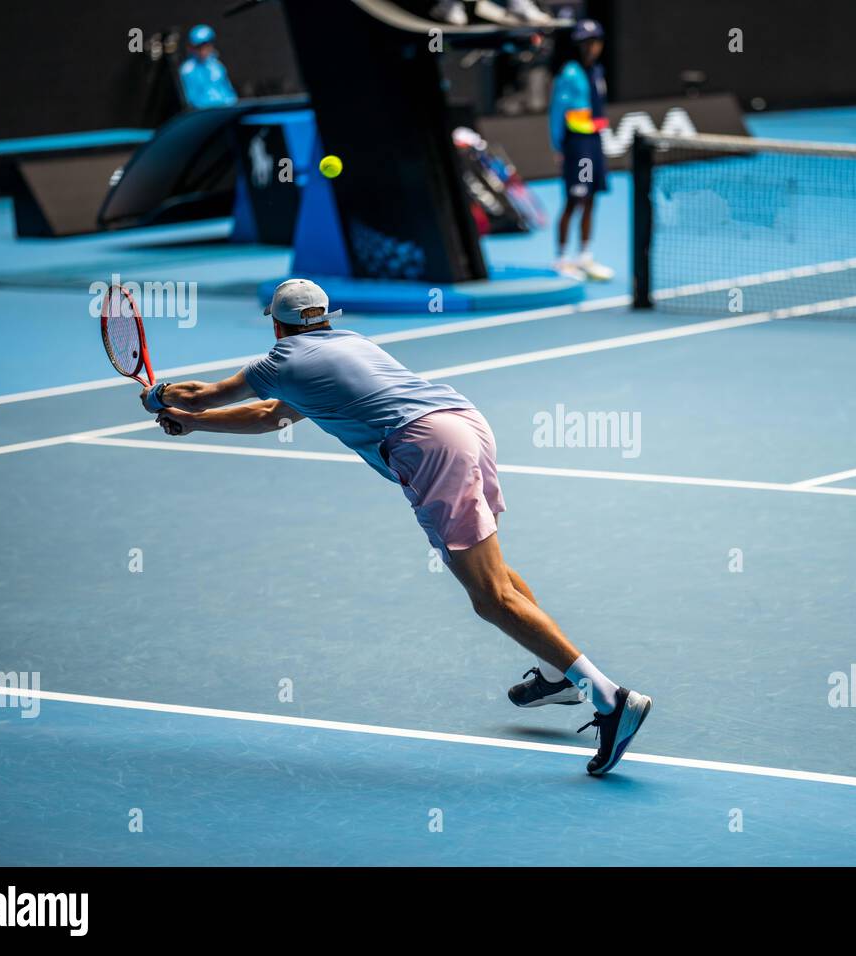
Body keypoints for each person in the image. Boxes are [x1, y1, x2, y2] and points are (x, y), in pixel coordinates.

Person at [140, 278, 652, 776]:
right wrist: (195, 422)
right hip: (462, 422)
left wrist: (160, 396)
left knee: (489, 596)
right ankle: (556, 673)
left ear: (276, 326)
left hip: (427, 444)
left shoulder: (282, 359)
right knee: (495, 571)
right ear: (323, 318)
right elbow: (270, 416)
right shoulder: (348, 345)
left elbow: (206, 392)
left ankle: (608, 698)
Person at [548, 19, 614, 281]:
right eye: (585, 43)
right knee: (573, 200)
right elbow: (556, 113)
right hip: (576, 145)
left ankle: (584, 256)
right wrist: (559, 146)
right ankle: (561, 259)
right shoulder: (570, 73)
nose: (591, 48)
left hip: (594, 142)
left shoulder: (596, 71)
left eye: (594, 42)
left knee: (591, 199)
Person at [179, 24, 238, 109]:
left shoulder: (217, 65)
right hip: (204, 113)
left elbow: (228, 92)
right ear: (192, 48)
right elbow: (191, 99)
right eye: (199, 47)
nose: (203, 51)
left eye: (206, 46)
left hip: (223, 110)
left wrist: (231, 103)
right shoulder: (187, 70)